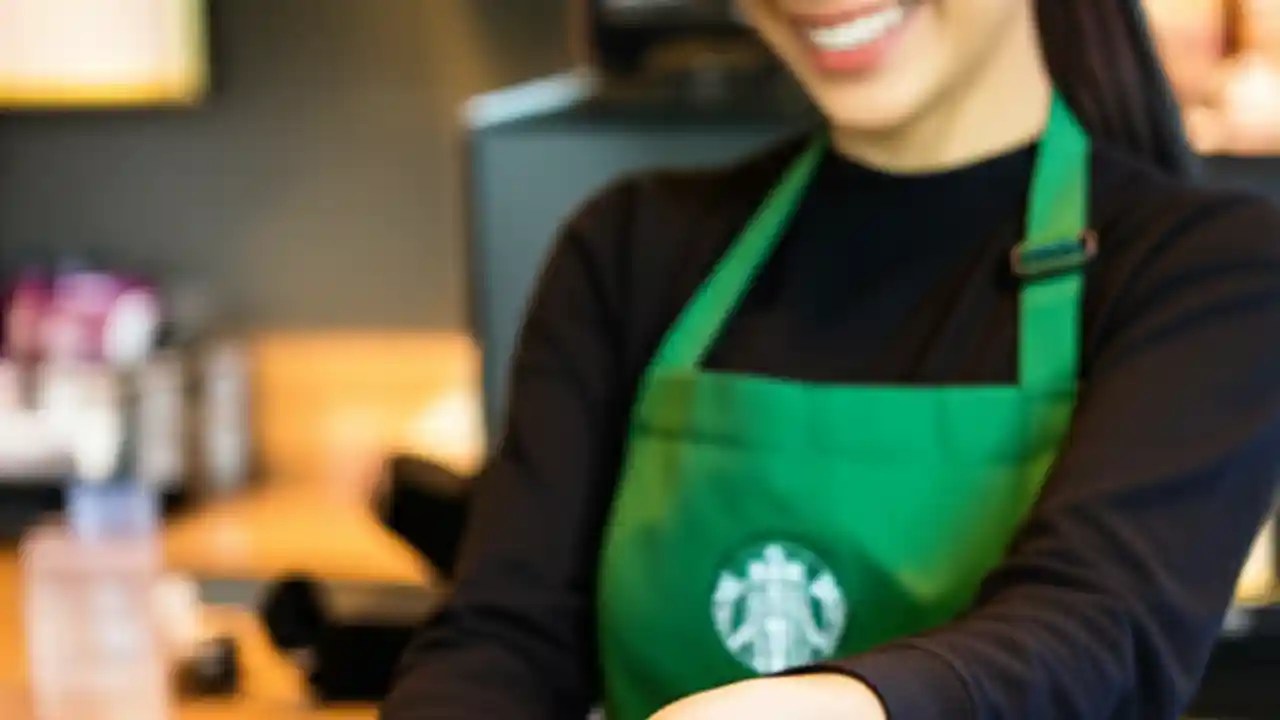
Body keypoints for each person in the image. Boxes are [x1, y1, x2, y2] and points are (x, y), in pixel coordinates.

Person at [382, 1, 1280, 718]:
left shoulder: (1206, 265)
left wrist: (827, 707)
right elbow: (500, 641)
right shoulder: (631, 248)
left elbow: (1096, 632)